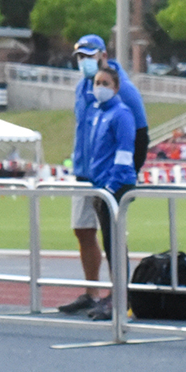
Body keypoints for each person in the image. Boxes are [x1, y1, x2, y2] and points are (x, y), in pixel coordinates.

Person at [61, 65, 138, 321]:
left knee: (115, 243)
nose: (99, 87)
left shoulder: (122, 114)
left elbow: (125, 154)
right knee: (107, 241)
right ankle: (113, 295)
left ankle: (120, 297)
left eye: (105, 83)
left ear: (116, 88)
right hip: (100, 185)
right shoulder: (96, 113)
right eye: (97, 83)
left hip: (114, 186)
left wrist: (111, 186)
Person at [73, 34, 150, 172]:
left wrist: (124, 177)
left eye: (89, 56)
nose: (84, 61)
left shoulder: (125, 89)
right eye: (81, 57)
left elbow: (141, 135)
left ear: (103, 56)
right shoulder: (81, 87)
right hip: (83, 173)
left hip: (109, 176)